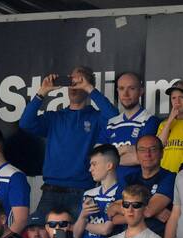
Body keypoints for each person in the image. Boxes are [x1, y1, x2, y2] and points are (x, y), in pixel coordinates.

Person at [18, 67, 117, 219]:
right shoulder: (55, 117)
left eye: (79, 82)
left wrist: (90, 88)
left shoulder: (96, 117)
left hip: (82, 190)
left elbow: (115, 118)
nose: (73, 86)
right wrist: (42, 91)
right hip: (50, 191)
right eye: (70, 81)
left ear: (88, 86)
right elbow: (26, 123)